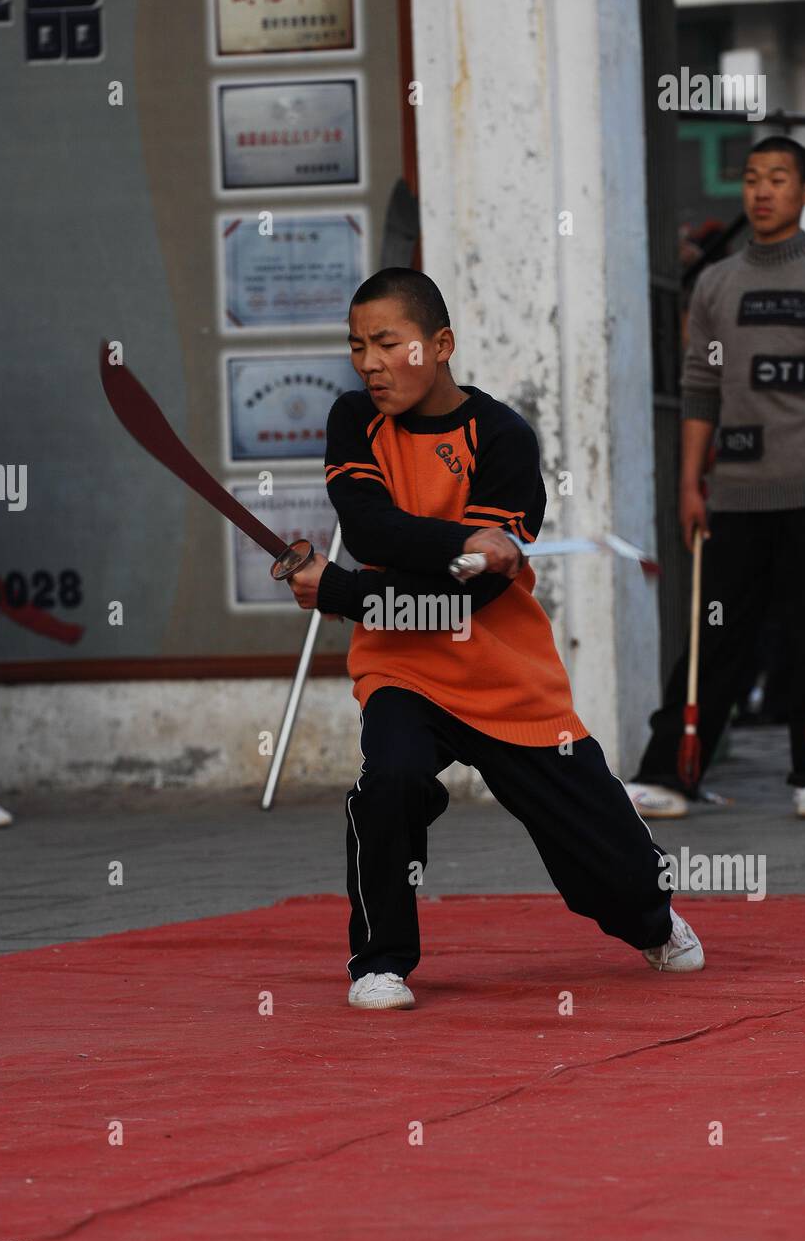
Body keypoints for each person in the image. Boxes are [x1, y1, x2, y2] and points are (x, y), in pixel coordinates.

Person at [286, 268, 704, 1009]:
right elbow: (373, 529)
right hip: (401, 668)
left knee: (620, 873)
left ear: (439, 345)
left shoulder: (503, 437)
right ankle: (379, 959)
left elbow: (466, 595)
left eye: (388, 343)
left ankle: (649, 915)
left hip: (506, 673)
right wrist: (466, 541)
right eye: (357, 347)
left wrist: (345, 591)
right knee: (390, 781)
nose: (369, 363)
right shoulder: (355, 420)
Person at [626, 137, 805, 821]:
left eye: (778, 178)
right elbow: (699, 391)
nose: (761, 191)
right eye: (751, 178)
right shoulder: (716, 283)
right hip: (735, 493)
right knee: (715, 633)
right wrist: (688, 485)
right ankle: (671, 773)